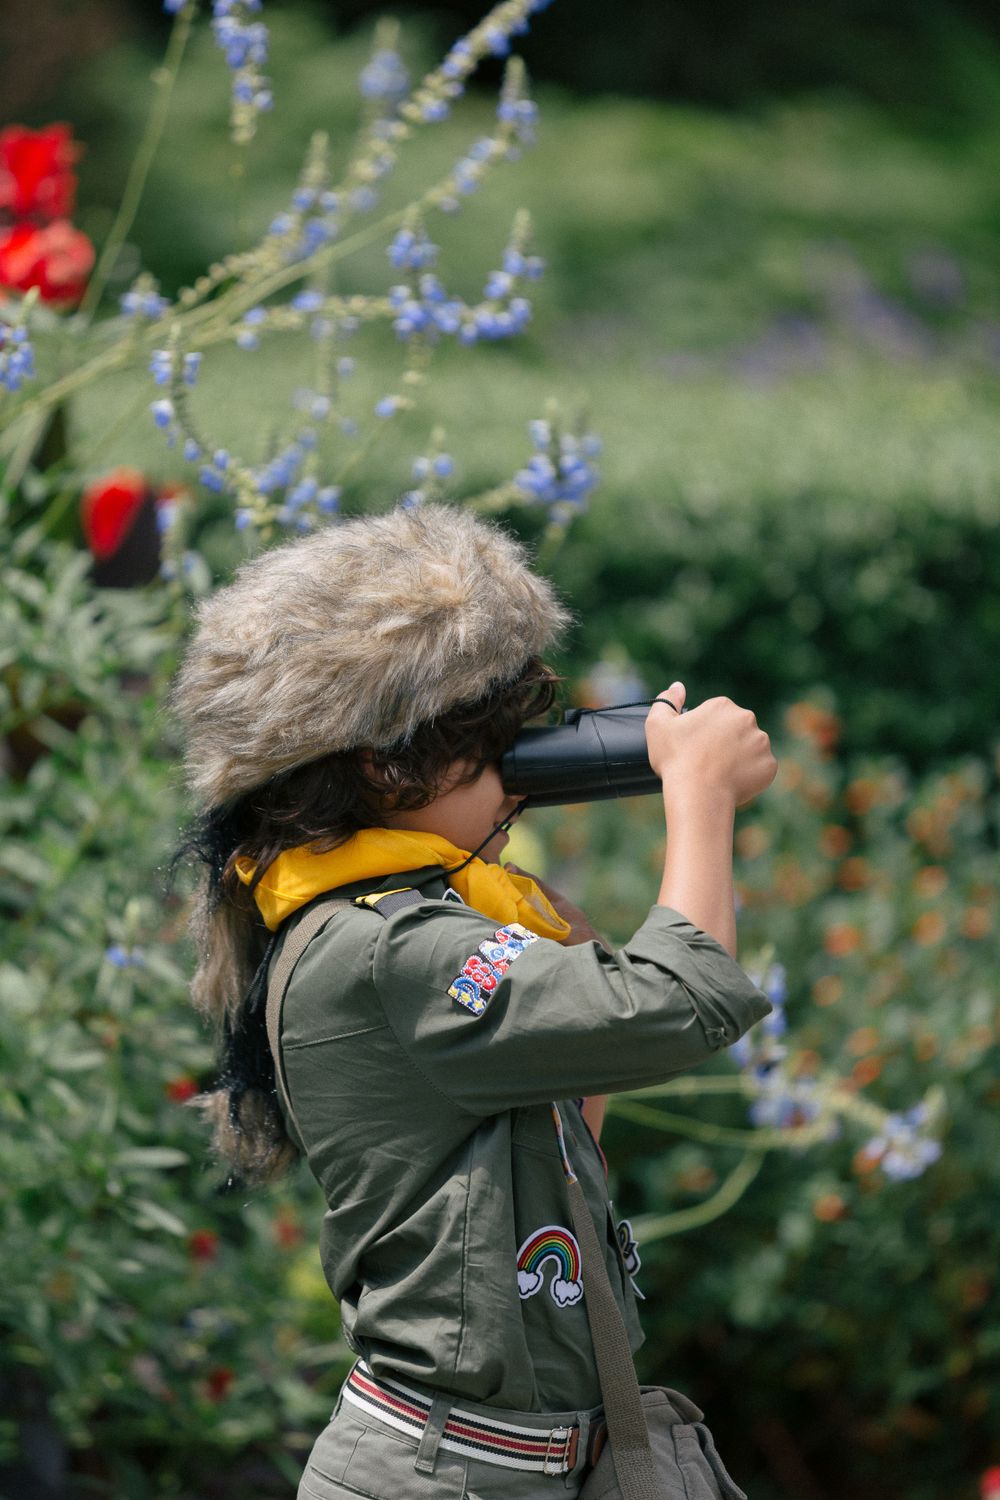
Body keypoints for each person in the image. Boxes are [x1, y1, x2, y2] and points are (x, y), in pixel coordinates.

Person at [171, 503, 778, 1500]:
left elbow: (573, 1113)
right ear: (384, 761)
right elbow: (678, 1005)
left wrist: (560, 940)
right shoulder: (388, 948)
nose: (520, 767)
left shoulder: (411, 923)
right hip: (443, 1475)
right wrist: (699, 797)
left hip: (520, 1464)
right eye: (491, 742)